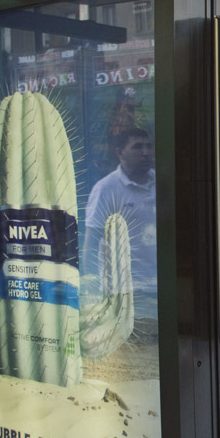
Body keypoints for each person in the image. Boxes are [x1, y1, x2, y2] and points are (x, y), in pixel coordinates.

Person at [84, 127, 157, 345]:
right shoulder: (106, 189)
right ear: (120, 152)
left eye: (148, 146)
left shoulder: (162, 183)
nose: (145, 152)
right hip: (127, 297)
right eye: (137, 147)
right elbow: (90, 246)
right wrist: (94, 297)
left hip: (161, 292)